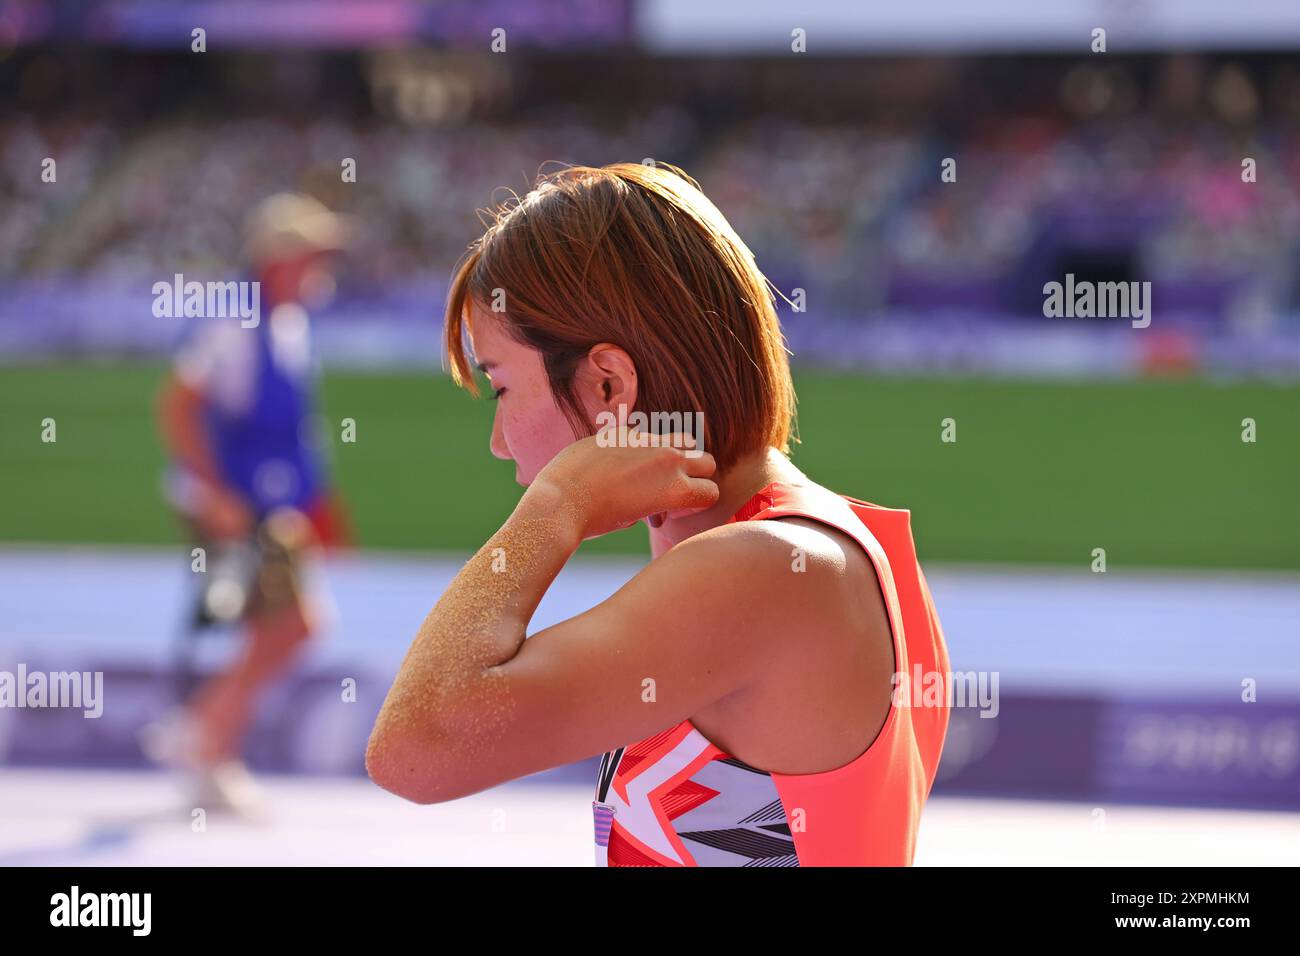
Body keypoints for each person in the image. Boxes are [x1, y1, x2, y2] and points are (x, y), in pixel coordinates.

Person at [366, 164, 950, 866]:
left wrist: (558, 504)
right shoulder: (821, 543)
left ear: (608, 383)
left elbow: (415, 749)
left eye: (499, 387)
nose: (498, 444)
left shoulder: (759, 568)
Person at [143, 192, 350, 815]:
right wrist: (214, 494)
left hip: (264, 507)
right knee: (291, 626)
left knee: (281, 627)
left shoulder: (289, 322)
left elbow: (292, 434)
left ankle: (207, 745)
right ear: (278, 259)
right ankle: (202, 738)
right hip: (233, 507)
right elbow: (177, 405)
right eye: (311, 253)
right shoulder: (234, 321)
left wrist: (317, 509)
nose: (322, 264)